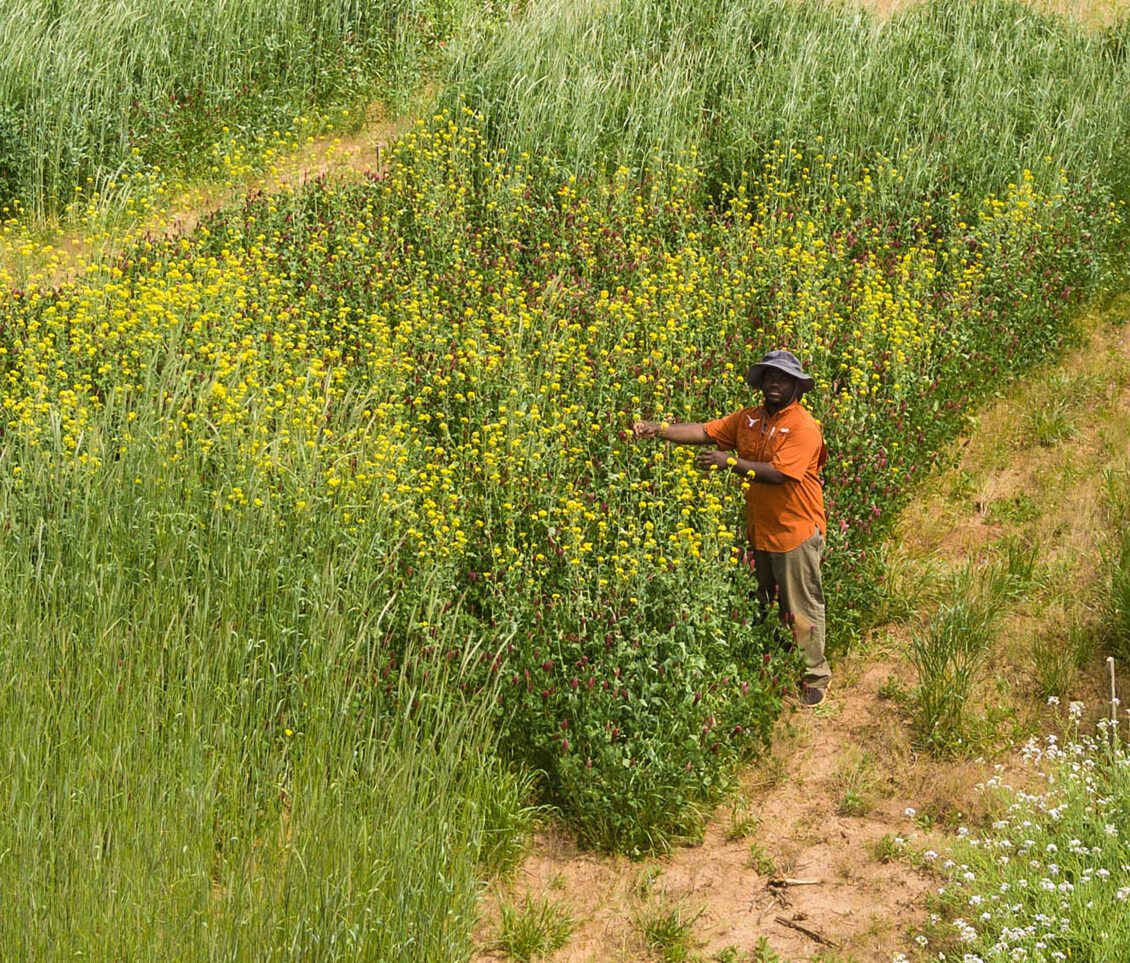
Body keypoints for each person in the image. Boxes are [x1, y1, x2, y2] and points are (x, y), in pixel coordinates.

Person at [632, 350, 830, 706]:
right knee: (769, 604)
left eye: (783, 378)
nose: (774, 383)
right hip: (761, 529)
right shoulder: (749, 418)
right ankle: (779, 663)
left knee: (801, 605)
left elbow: (781, 474)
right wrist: (657, 430)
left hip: (795, 531)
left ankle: (815, 676)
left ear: (797, 386)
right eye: (769, 377)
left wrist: (730, 462)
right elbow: (706, 432)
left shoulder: (804, 428)